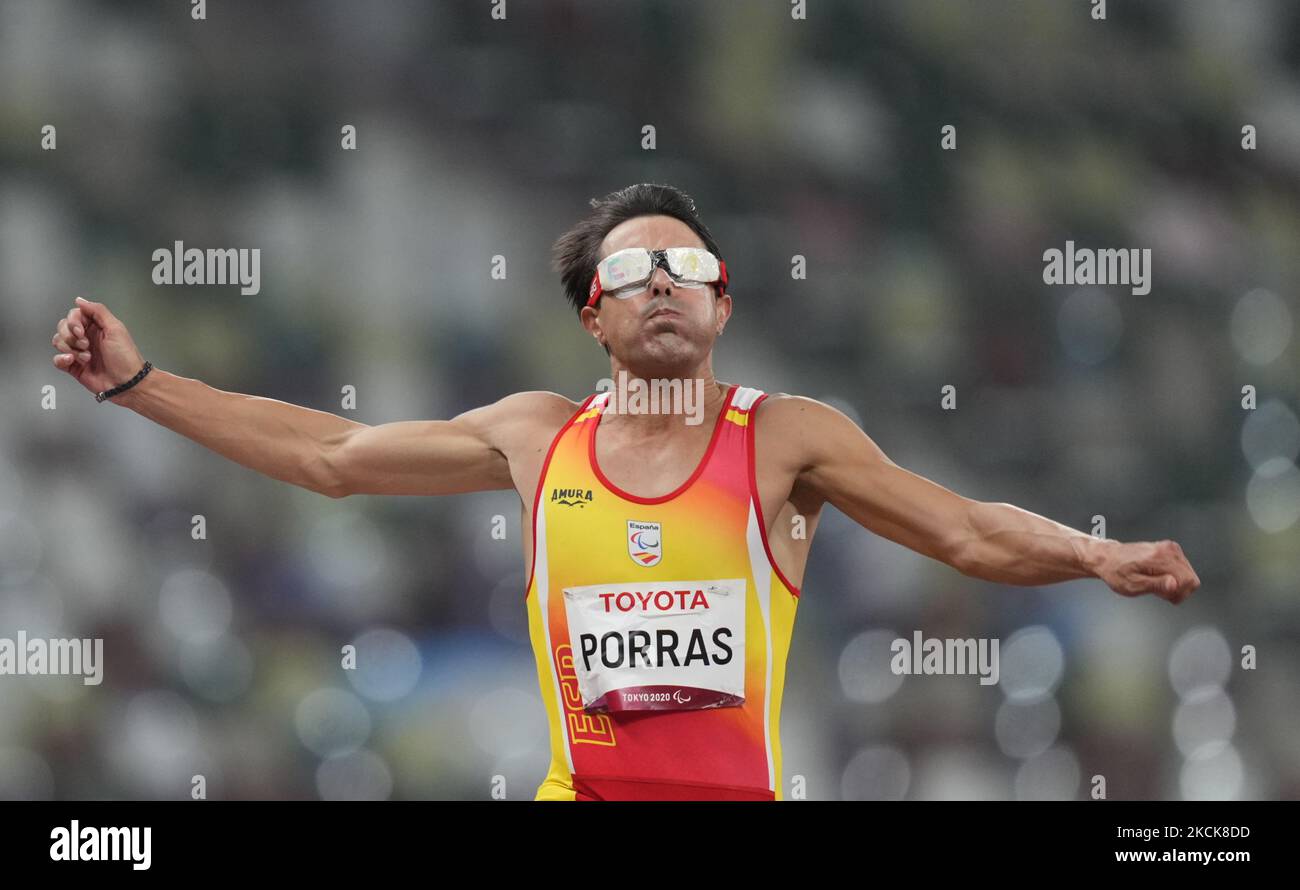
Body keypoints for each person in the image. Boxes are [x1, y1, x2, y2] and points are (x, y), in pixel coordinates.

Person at [50, 183, 1200, 801]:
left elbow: (961, 530)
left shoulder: (786, 439)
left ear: (722, 310)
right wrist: (141, 385)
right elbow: (332, 457)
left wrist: (1092, 553)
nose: (664, 284)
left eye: (690, 269)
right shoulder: (533, 436)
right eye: (633, 272)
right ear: (592, 314)